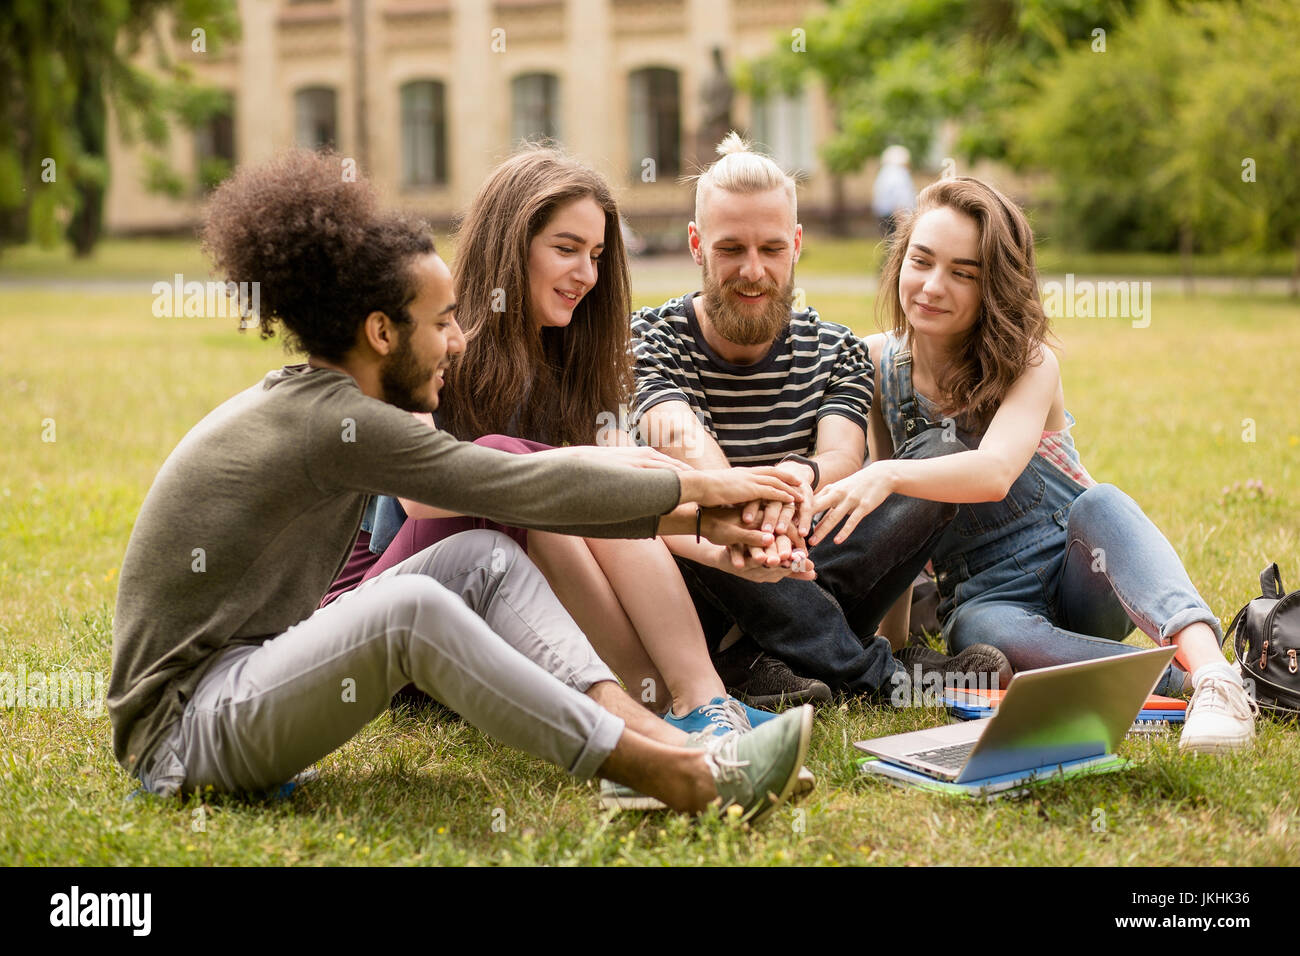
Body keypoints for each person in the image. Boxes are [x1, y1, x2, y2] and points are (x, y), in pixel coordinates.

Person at [106, 148, 816, 823]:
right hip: (177, 742)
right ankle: (674, 777)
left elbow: (523, 498)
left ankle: (674, 742)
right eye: (442, 323)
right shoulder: (339, 423)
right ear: (382, 332)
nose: (458, 340)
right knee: (411, 602)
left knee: (482, 556)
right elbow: (512, 483)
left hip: (246, 688)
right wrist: (700, 497)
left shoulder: (325, 404)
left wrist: (695, 516)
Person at [324, 146, 830, 738]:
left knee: (576, 489)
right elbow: (424, 498)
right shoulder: (425, 338)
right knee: (532, 480)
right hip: (382, 613)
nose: (586, 275)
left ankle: (695, 700)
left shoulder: (573, 364)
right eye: (565, 250)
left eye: (595, 256)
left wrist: (727, 549)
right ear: (510, 244)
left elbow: (622, 501)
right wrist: (588, 465)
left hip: (500, 615)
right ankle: (673, 711)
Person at [810, 176, 1256, 754]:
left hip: (1078, 569)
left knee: (1101, 502)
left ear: (993, 285)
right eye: (920, 261)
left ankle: (1215, 673)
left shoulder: (1030, 360)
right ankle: (1190, 681)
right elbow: (900, 530)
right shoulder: (876, 365)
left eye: (963, 273)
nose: (931, 286)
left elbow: (993, 472)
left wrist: (885, 471)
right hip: (992, 600)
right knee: (973, 631)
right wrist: (893, 649)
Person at [631, 132, 1012, 699]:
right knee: (677, 507)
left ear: (797, 244)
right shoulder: (650, 338)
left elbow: (840, 458)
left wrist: (800, 480)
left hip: (812, 554)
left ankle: (759, 660)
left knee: (939, 458)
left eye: (772, 248)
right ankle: (881, 675)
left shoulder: (836, 348)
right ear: (696, 244)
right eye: (730, 248)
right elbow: (685, 446)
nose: (753, 271)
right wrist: (746, 508)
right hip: (712, 563)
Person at [872, 145, 916, 239]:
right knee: (896, 244)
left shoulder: (884, 172)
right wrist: (903, 221)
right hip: (895, 216)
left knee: (888, 243)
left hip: (882, 215)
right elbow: (901, 198)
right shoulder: (900, 173)